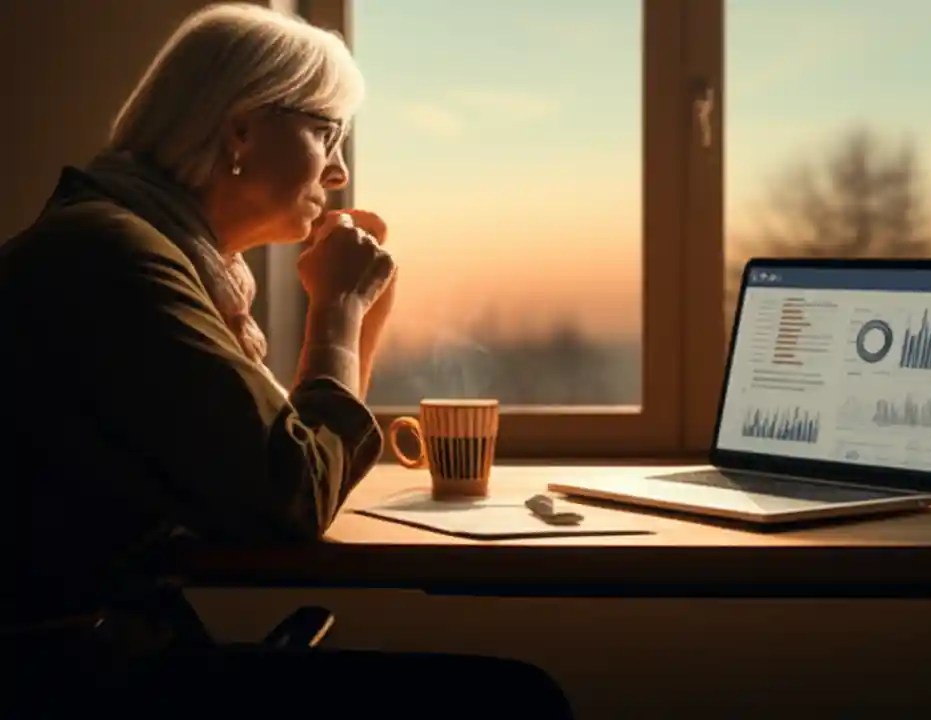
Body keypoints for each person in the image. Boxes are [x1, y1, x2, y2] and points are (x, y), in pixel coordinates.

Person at [0, 3, 571, 716]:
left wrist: (360, 311)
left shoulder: (130, 243)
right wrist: (335, 311)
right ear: (241, 129)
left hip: (100, 649)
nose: (337, 174)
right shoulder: (117, 261)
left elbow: (302, 470)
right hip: (73, 677)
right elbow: (294, 495)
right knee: (514, 702)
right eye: (329, 135)